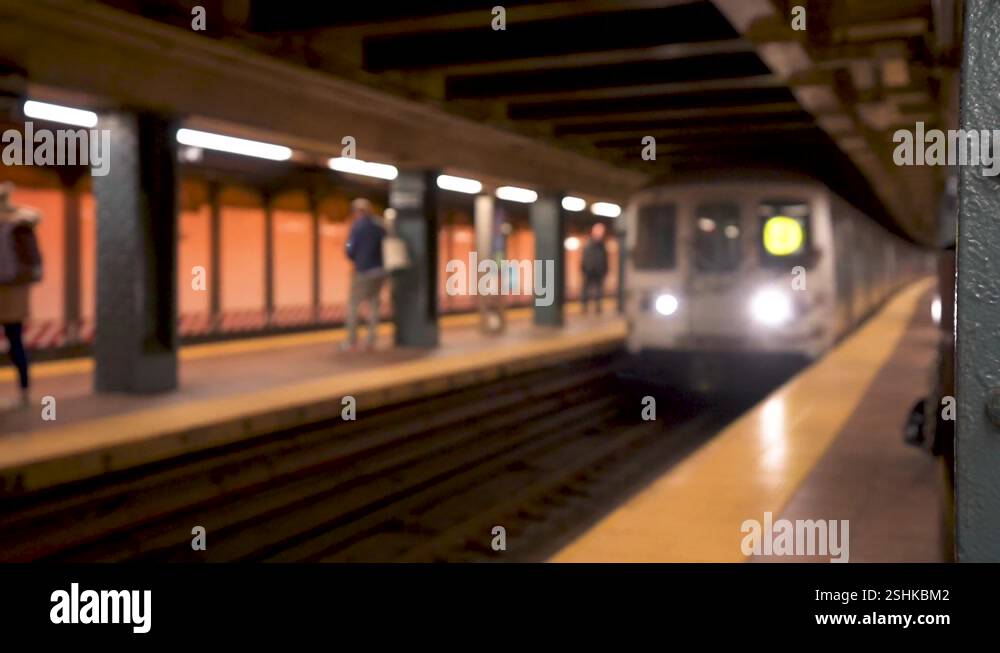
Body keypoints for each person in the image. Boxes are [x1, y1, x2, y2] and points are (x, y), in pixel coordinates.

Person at [0, 182, 42, 407]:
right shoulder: (21, 223)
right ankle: (25, 388)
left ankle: (24, 387)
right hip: (16, 291)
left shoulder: (17, 224)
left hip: (9, 290)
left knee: (15, 340)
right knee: (16, 340)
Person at [343, 198, 386, 351]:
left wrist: (354, 256)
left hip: (362, 271)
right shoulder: (379, 226)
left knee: (353, 305)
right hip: (379, 271)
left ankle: (352, 341)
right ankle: (371, 340)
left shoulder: (357, 227)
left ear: (356, 212)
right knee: (374, 305)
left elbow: (349, 248)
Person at [580, 222, 609, 314]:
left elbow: (605, 258)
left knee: (599, 291)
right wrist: (585, 269)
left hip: (599, 271)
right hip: (589, 271)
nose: (600, 234)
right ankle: (584, 308)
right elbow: (585, 258)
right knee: (586, 290)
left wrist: (605, 269)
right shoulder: (589, 244)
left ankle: (598, 308)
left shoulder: (602, 245)